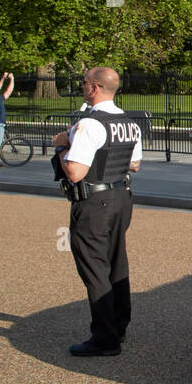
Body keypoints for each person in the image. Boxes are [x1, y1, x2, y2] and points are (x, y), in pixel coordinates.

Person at [50, 66, 143, 357]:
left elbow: (75, 172)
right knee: (117, 263)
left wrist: (63, 147)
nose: (82, 86)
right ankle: (119, 326)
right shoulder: (130, 122)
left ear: (94, 88)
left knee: (94, 268)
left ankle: (104, 338)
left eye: (84, 82)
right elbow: (135, 164)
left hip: (94, 201)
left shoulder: (88, 125)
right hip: (121, 197)